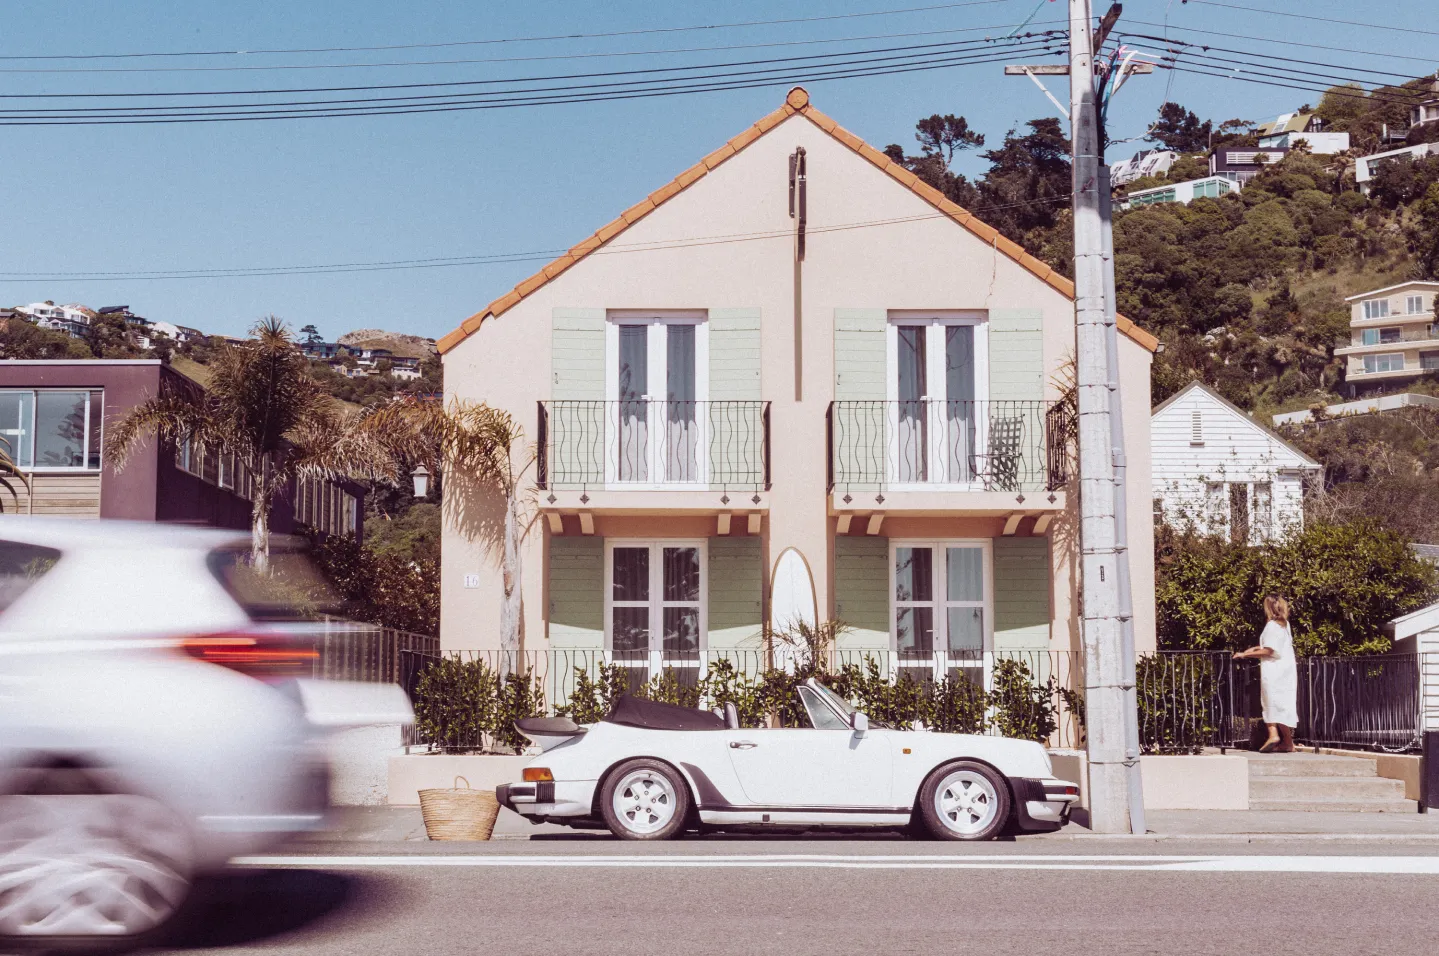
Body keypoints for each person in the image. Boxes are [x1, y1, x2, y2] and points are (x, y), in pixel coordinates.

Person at [1233, 595, 1298, 753]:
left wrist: (1244, 655)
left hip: (1273, 670)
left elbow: (1269, 650)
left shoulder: (1271, 626)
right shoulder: (1284, 625)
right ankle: (1288, 743)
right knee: (1281, 705)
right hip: (1287, 671)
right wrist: (1255, 648)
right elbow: (1275, 645)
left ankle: (1273, 734)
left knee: (1269, 702)